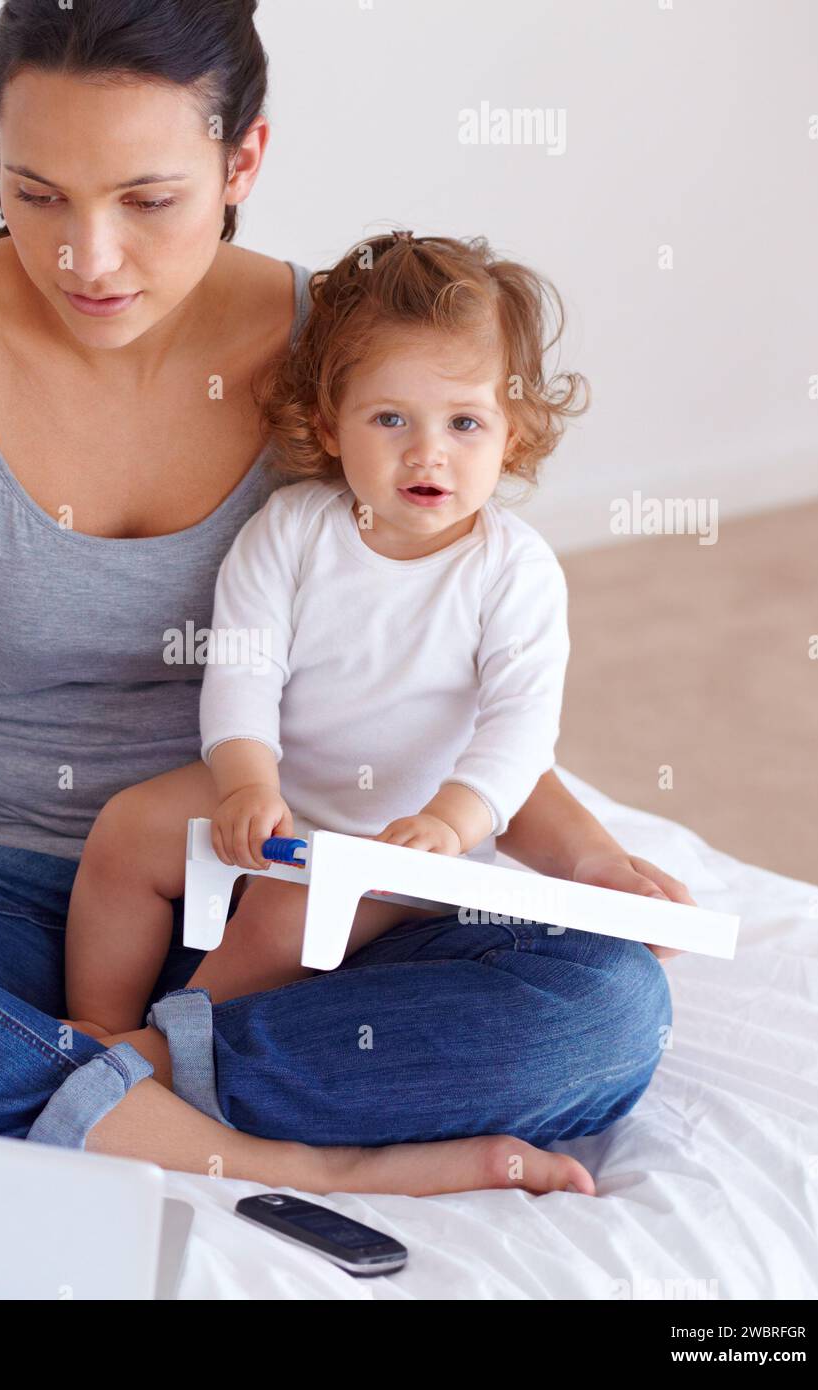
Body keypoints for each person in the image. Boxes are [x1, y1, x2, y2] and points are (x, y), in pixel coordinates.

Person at [0, 0, 686, 1200]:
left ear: (243, 163)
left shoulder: (342, 361)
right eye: (39, 193)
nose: (87, 258)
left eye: (148, 199)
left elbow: (426, 658)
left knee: (603, 1011)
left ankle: (20, 1089)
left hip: (282, 902)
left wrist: (584, 854)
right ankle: (287, 1158)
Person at [63, 231, 586, 1034]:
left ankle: (161, 1053)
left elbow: (520, 729)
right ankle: (92, 1029)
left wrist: (450, 822)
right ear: (331, 425)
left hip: (404, 833)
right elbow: (242, 670)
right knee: (125, 832)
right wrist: (245, 784)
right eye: (389, 417)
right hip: (286, 788)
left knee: (283, 914)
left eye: (464, 424)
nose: (426, 451)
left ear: (511, 434)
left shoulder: (512, 571)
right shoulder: (292, 529)